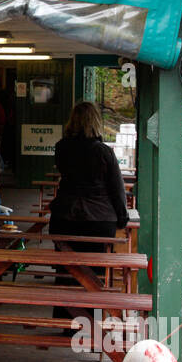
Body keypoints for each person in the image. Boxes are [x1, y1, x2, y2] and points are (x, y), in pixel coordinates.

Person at [49, 101, 129, 251]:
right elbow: (117, 189)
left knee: (66, 267)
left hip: (64, 217)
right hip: (99, 220)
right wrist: (122, 218)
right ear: (96, 121)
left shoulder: (61, 148)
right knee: (94, 270)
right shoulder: (104, 152)